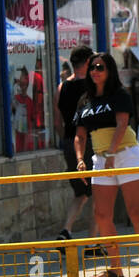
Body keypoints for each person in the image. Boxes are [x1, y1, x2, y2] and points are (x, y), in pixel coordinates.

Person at [73, 52, 139, 277]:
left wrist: (111, 152)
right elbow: (79, 135)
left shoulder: (119, 94)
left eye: (99, 67)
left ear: (109, 70)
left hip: (125, 153)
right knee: (101, 214)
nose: (94, 72)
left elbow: (122, 124)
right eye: (92, 68)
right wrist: (81, 159)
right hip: (100, 157)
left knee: (135, 210)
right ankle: (115, 268)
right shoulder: (85, 100)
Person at [55, 45, 93, 240]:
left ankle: (66, 230)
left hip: (70, 142)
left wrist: (67, 139)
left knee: (81, 192)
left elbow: (57, 121)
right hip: (90, 142)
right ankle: (94, 243)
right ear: (87, 62)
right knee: (96, 191)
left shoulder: (61, 87)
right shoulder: (92, 85)